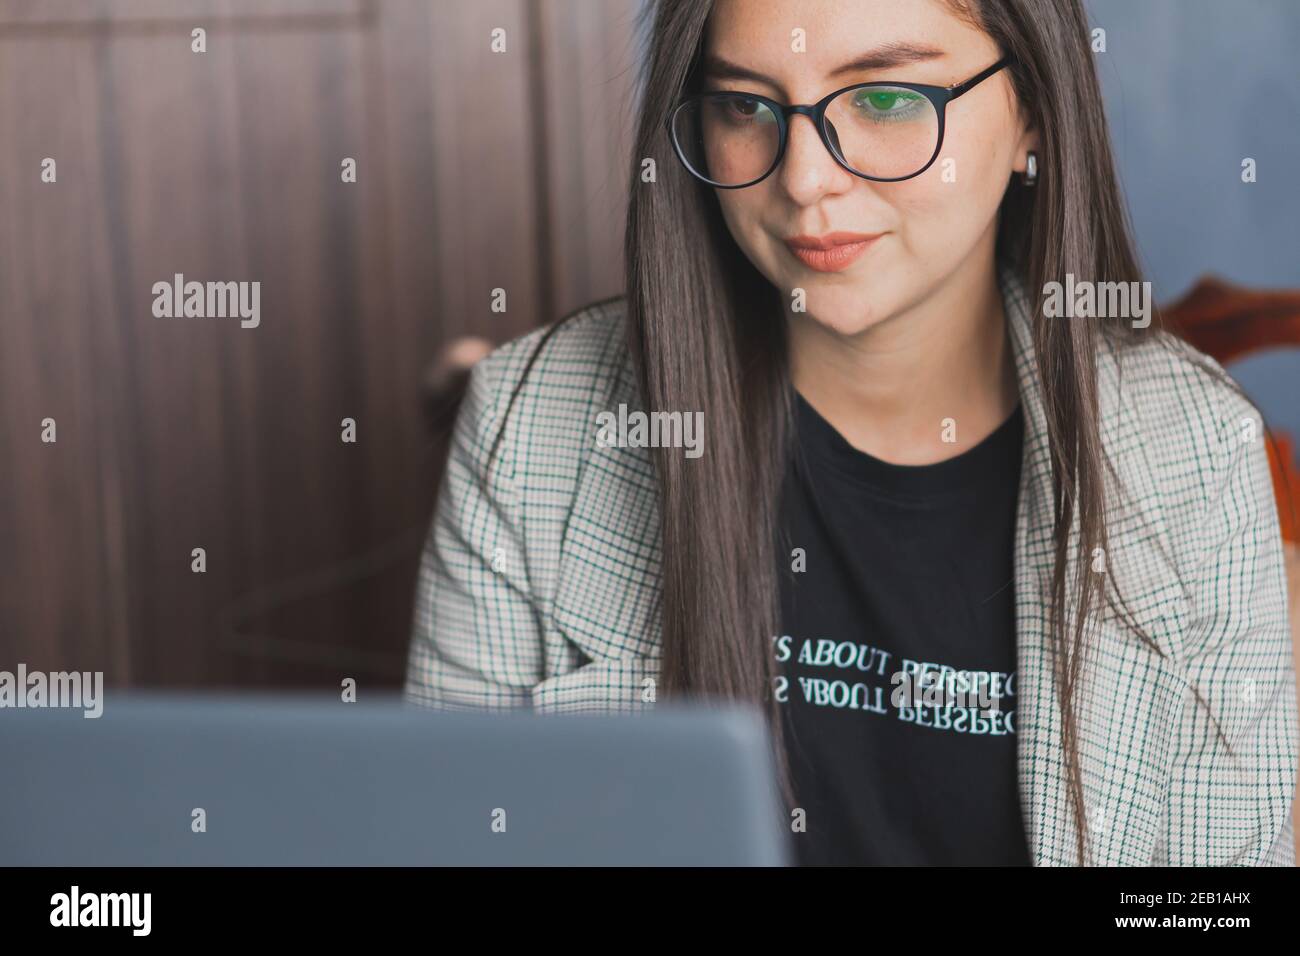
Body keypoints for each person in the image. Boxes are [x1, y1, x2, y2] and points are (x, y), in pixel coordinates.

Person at [405, 0, 1297, 866]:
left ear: (1032, 109)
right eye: (747, 105)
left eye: (883, 99)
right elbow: (449, 835)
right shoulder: (533, 424)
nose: (802, 179)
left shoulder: (1194, 455)